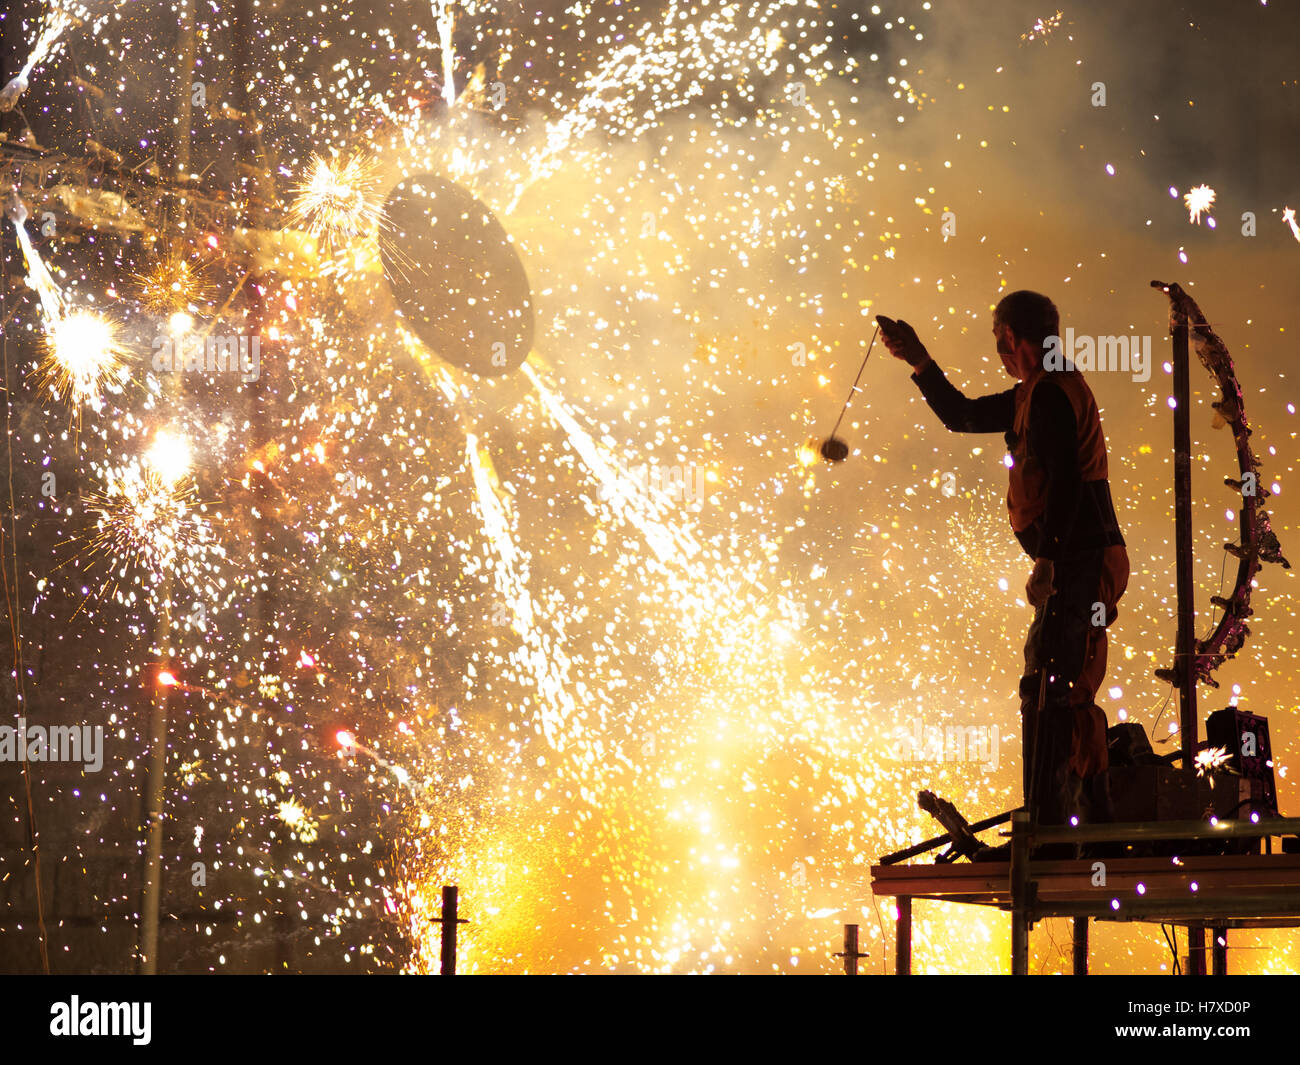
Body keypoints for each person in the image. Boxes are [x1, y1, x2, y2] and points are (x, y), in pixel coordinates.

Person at [878, 292, 1128, 832]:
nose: (998, 350)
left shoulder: (1052, 395)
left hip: (1079, 558)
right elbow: (962, 415)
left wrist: (1047, 560)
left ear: (1013, 336)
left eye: (999, 338)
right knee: (1057, 681)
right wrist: (919, 361)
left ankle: (1058, 827)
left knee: (1051, 683)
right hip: (1078, 558)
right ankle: (1072, 819)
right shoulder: (1035, 393)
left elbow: (1065, 480)